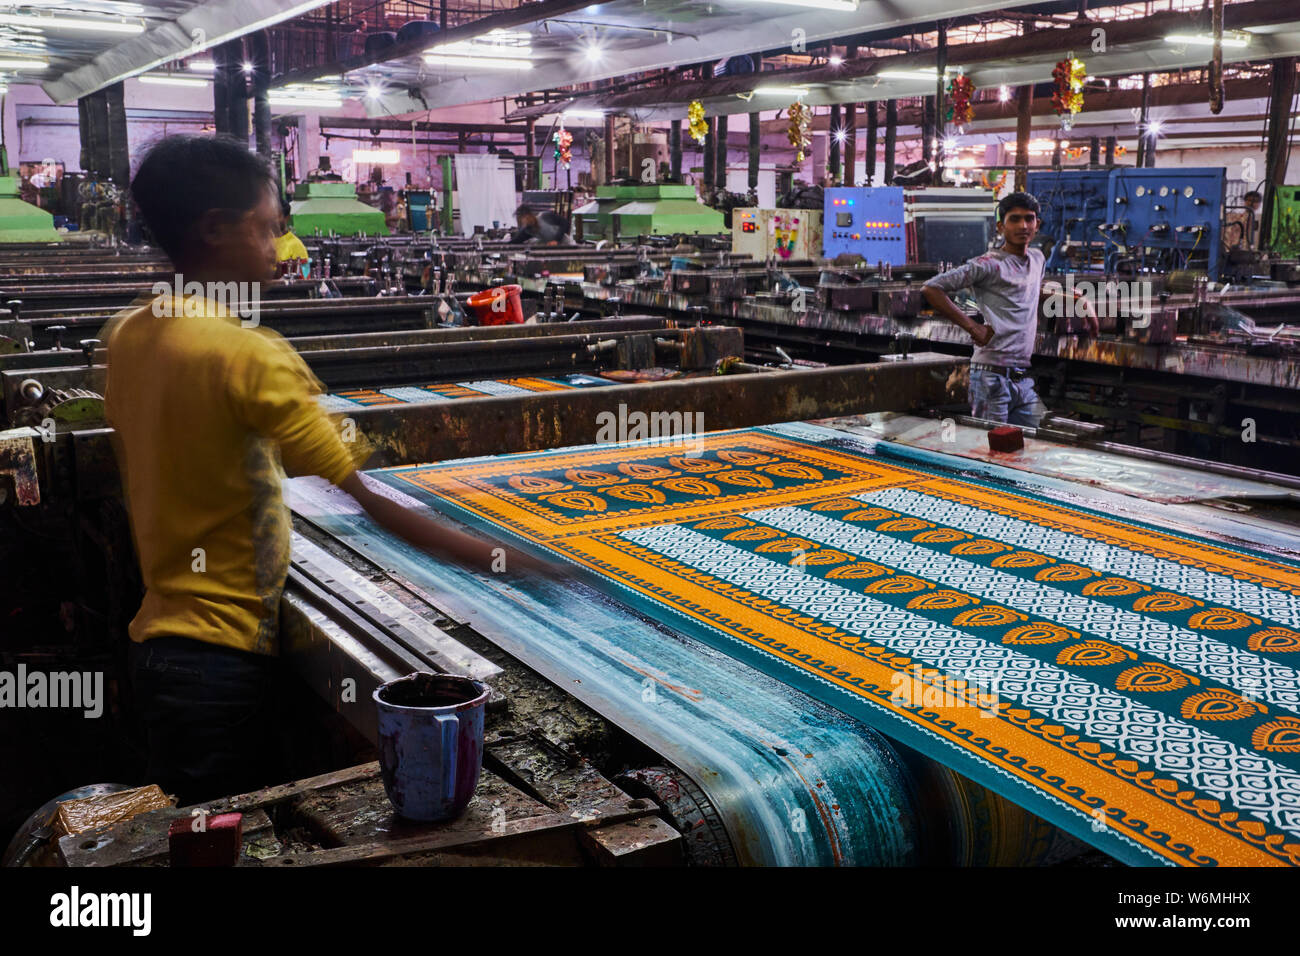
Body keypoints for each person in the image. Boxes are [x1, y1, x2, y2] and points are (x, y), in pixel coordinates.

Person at [107, 134, 537, 805]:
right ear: (214, 230)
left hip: (157, 651)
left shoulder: (129, 334)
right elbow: (369, 498)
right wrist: (508, 560)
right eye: (269, 229)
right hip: (223, 662)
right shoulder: (245, 354)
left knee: (202, 835)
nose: (281, 251)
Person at [921, 191, 1098, 427]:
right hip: (990, 377)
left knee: (1042, 441)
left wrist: (1078, 300)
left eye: (1029, 218)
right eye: (1014, 219)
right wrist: (973, 327)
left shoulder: (1037, 259)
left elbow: (1029, 289)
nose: (1023, 225)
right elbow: (931, 288)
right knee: (991, 452)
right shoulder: (988, 264)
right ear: (1000, 227)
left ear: (1037, 225)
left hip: (1021, 379)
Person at [509, 203, 574, 246]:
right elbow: (516, 240)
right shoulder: (528, 230)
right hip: (552, 250)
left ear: (530, 215)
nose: (525, 221)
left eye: (525, 218)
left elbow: (564, 222)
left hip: (566, 244)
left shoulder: (545, 216)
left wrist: (556, 240)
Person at [273, 194, 308, 267]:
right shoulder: (261, 242)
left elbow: (302, 275)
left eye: (277, 217)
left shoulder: (296, 245)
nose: (273, 221)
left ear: (287, 218)